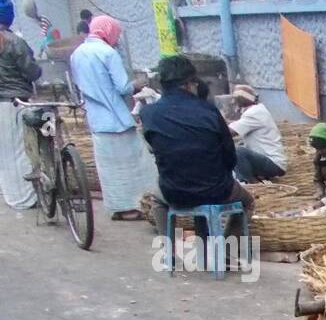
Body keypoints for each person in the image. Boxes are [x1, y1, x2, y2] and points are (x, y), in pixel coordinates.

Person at [141, 53, 254, 241]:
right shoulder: (208, 111)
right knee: (248, 202)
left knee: (156, 199)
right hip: (217, 190)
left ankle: (169, 252)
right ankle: (225, 251)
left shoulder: (149, 113)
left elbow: (155, 149)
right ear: (189, 84)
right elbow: (230, 157)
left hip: (174, 191)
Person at [68, 15, 156, 220]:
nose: (117, 40)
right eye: (116, 35)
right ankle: (135, 205)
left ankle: (118, 207)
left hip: (97, 119)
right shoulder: (108, 53)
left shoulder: (77, 53)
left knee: (109, 169)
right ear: (109, 33)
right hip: (117, 117)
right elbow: (122, 87)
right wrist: (139, 83)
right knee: (135, 165)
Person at [0, 0, 40, 210]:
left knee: (5, 152)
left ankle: (12, 196)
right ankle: (27, 198)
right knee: (23, 149)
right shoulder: (14, 41)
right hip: (16, 103)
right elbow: (31, 71)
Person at [228, 84, 287, 182]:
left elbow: (229, 132)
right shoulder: (256, 111)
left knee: (238, 152)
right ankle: (255, 181)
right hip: (265, 160)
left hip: (273, 162)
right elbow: (234, 124)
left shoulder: (254, 113)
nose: (234, 101)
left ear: (242, 99)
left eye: (236, 98)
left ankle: (250, 185)